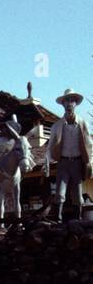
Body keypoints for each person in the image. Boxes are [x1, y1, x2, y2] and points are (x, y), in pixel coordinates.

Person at [46, 88, 91, 221]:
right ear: (63, 104)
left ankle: (78, 220)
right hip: (63, 162)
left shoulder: (83, 123)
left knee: (77, 193)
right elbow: (50, 146)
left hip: (77, 162)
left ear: (75, 103)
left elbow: (89, 144)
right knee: (60, 192)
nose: (69, 103)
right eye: (66, 101)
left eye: (72, 101)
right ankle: (58, 220)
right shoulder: (57, 125)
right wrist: (47, 163)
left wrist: (90, 161)